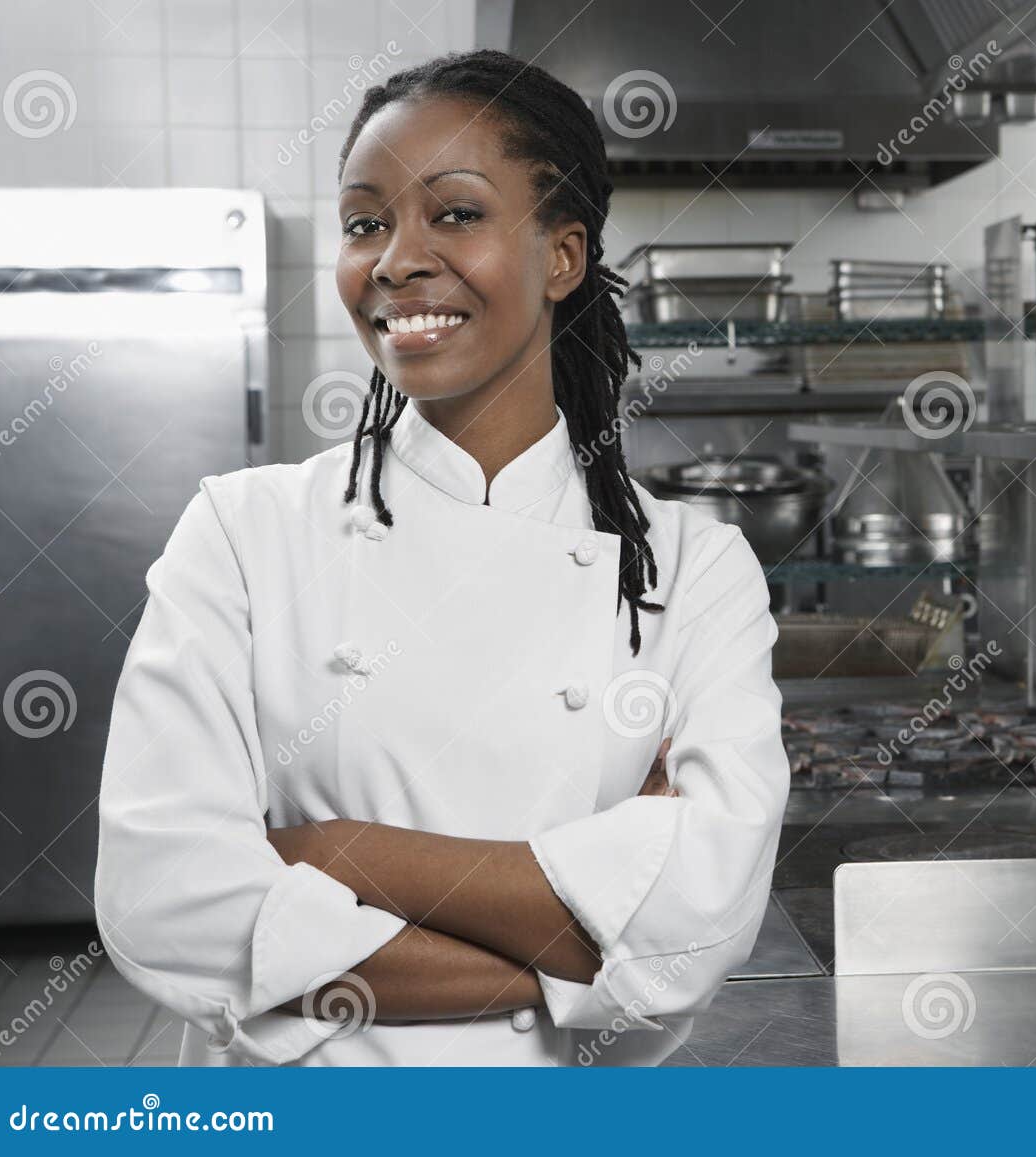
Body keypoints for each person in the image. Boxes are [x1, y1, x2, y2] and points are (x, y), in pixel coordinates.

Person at [92, 49, 788, 1067]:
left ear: (562, 257)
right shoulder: (243, 534)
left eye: (454, 213)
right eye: (364, 223)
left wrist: (340, 851)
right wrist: (587, 955)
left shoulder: (692, 567)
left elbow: (701, 918)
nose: (394, 259)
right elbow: (164, 903)